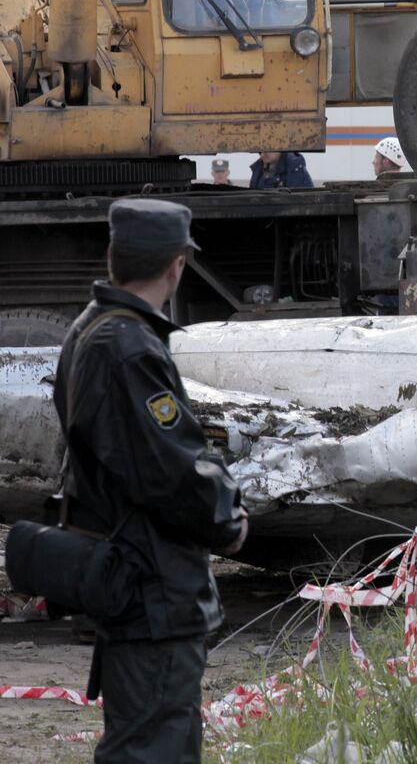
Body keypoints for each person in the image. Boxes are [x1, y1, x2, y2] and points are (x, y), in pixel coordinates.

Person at [53, 199, 247, 762]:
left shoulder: (90, 330)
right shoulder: (128, 347)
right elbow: (173, 471)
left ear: (114, 258)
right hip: (152, 589)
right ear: (176, 265)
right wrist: (228, 518)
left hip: (128, 579)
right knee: (154, 747)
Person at [249, 151, 313, 189]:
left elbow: (299, 201)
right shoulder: (258, 168)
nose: (264, 152)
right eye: (261, 148)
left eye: (270, 147)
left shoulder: (294, 167)